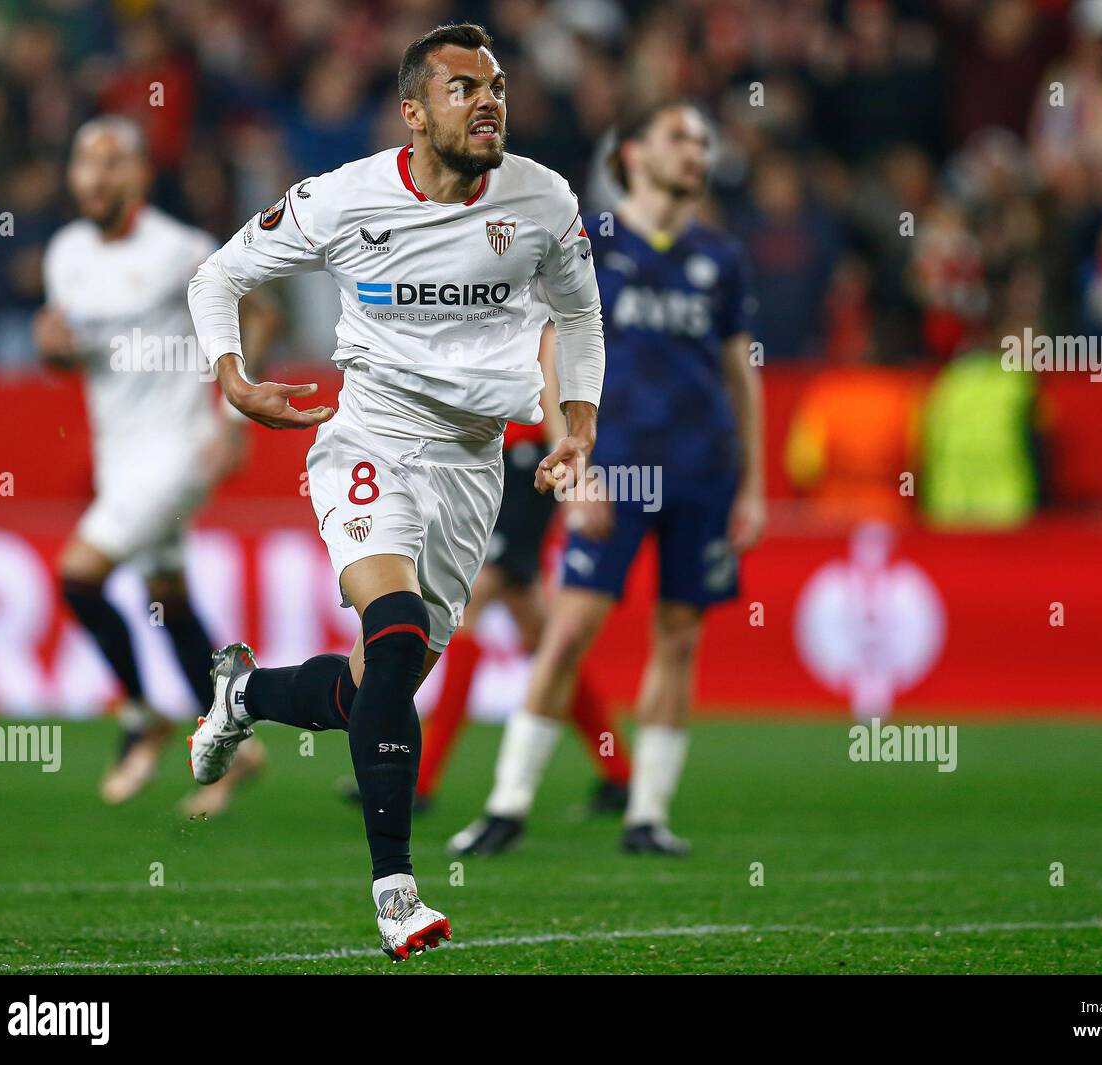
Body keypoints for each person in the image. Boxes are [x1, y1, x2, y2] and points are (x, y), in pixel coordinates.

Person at [184, 23, 604, 961]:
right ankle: (396, 891)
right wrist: (235, 376)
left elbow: (580, 315)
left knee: (383, 682)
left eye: (495, 85)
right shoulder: (344, 197)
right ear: (414, 112)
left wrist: (578, 421)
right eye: (463, 88)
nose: (488, 100)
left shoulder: (542, 200)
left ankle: (245, 694)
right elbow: (218, 273)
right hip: (368, 436)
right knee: (398, 626)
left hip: (472, 462)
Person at [449, 100, 764, 858]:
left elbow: (739, 374)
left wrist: (750, 485)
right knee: (568, 629)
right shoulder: (589, 237)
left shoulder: (720, 256)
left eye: (701, 139)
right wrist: (571, 460)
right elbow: (551, 347)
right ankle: (508, 802)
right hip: (614, 466)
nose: (695, 150)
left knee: (679, 635)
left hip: (701, 470)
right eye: (678, 137)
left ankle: (647, 814)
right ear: (632, 153)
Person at [36, 116, 272, 812]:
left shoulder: (180, 248)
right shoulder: (66, 251)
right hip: (119, 451)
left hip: (180, 447)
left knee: (78, 575)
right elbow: (69, 355)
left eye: (112, 163)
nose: (96, 176)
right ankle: (234, 740)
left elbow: (259, 315)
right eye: (84, 162)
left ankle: (141, 716)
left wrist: (234, 416)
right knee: (167, 597)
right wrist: (52, 350)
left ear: (139, 174)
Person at [412, 322, 631, 814]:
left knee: (467, 600)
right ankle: (620, 774)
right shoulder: (501, 291)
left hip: (529, 459)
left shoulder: (545, 301)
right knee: (540, 632)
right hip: (500, 458)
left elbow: (555, 379)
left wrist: (567, 465)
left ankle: (418, 780)